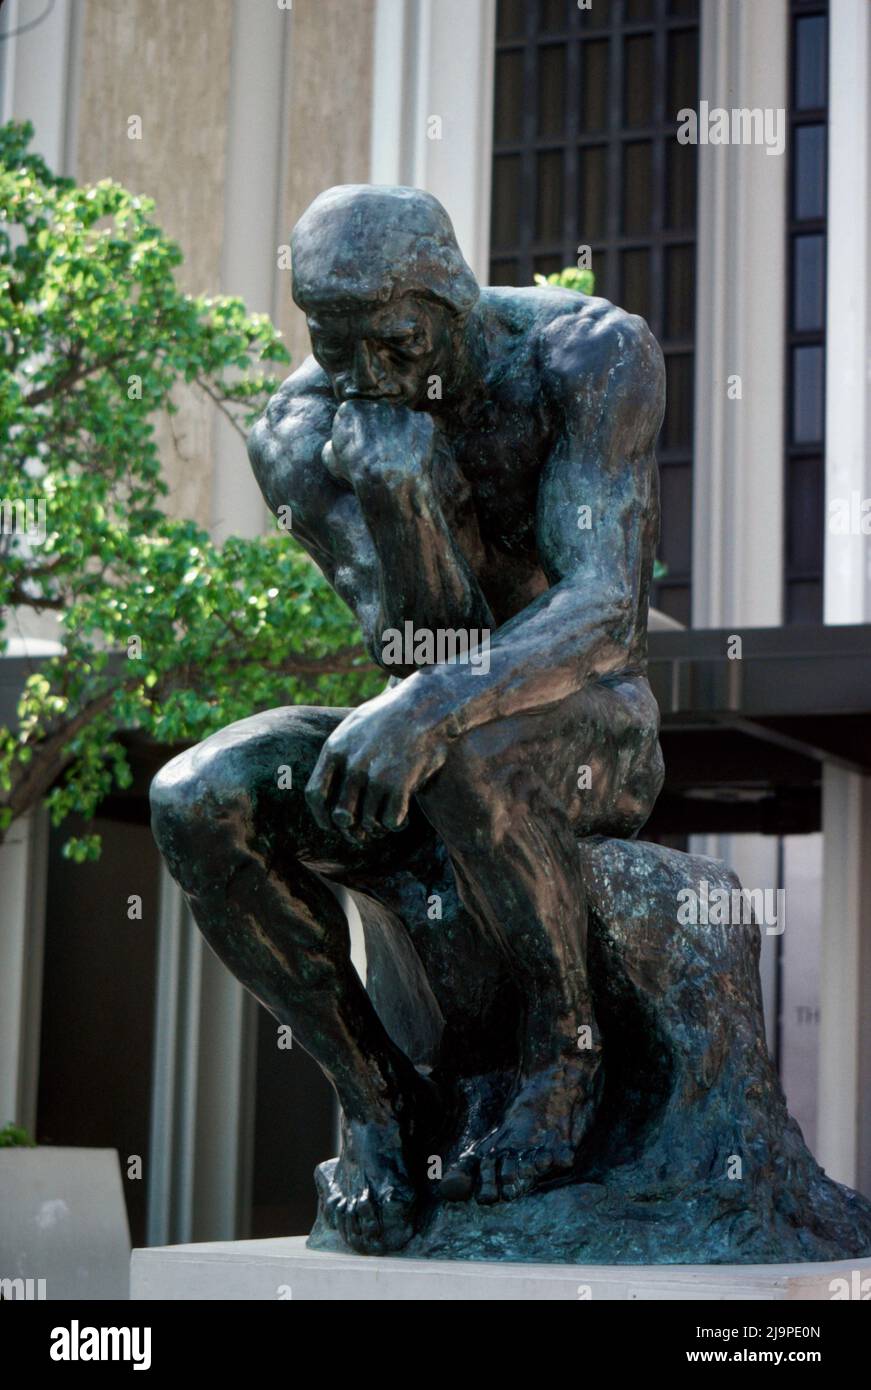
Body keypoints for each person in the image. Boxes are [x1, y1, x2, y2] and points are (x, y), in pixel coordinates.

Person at [150, 185, 666, 1254]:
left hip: (588, 719)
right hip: (434, 716)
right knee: (195, 799)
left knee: (460, 739)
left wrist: (431, 705)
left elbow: (608, 608)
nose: (370, 379)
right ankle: (382, 1104)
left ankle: (561, 1053)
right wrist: (402, 500)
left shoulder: (586, 355)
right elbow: (417, 646)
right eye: (339, 352)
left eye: (392, 344)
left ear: (452, 298)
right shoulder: (303, 432)